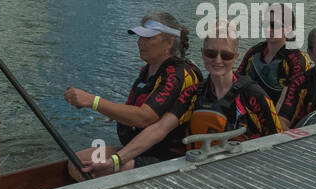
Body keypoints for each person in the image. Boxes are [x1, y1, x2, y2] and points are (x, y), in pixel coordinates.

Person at [87, 23, 281, 175]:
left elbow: (279, 141)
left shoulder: (253, 95)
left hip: (242, 172)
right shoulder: (194, 93)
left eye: (226, 55)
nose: (218, 60)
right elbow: (159, 129)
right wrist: (116, 161)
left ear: (236, 57)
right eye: (211, 53)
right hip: (199, 171)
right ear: (203, 54)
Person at [64, 13, 201, 178]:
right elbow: (139, 109)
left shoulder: (178, 74)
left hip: (164, 158)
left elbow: (145, 117)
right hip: (136, 149)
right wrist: (115, 112)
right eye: (139, 36)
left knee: (91, 171)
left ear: (169, 42)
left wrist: (93, 101)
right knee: (77, 162)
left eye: (148, 38)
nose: (139, 42)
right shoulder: (148, 70)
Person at [236, 4, 310, 109]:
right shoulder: (254, 53)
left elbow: (294, 100)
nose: (268, 29)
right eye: (265, 24)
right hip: (251, 114)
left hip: (282, 117)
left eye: (274, 25)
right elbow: (237, 81)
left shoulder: (296, 59)